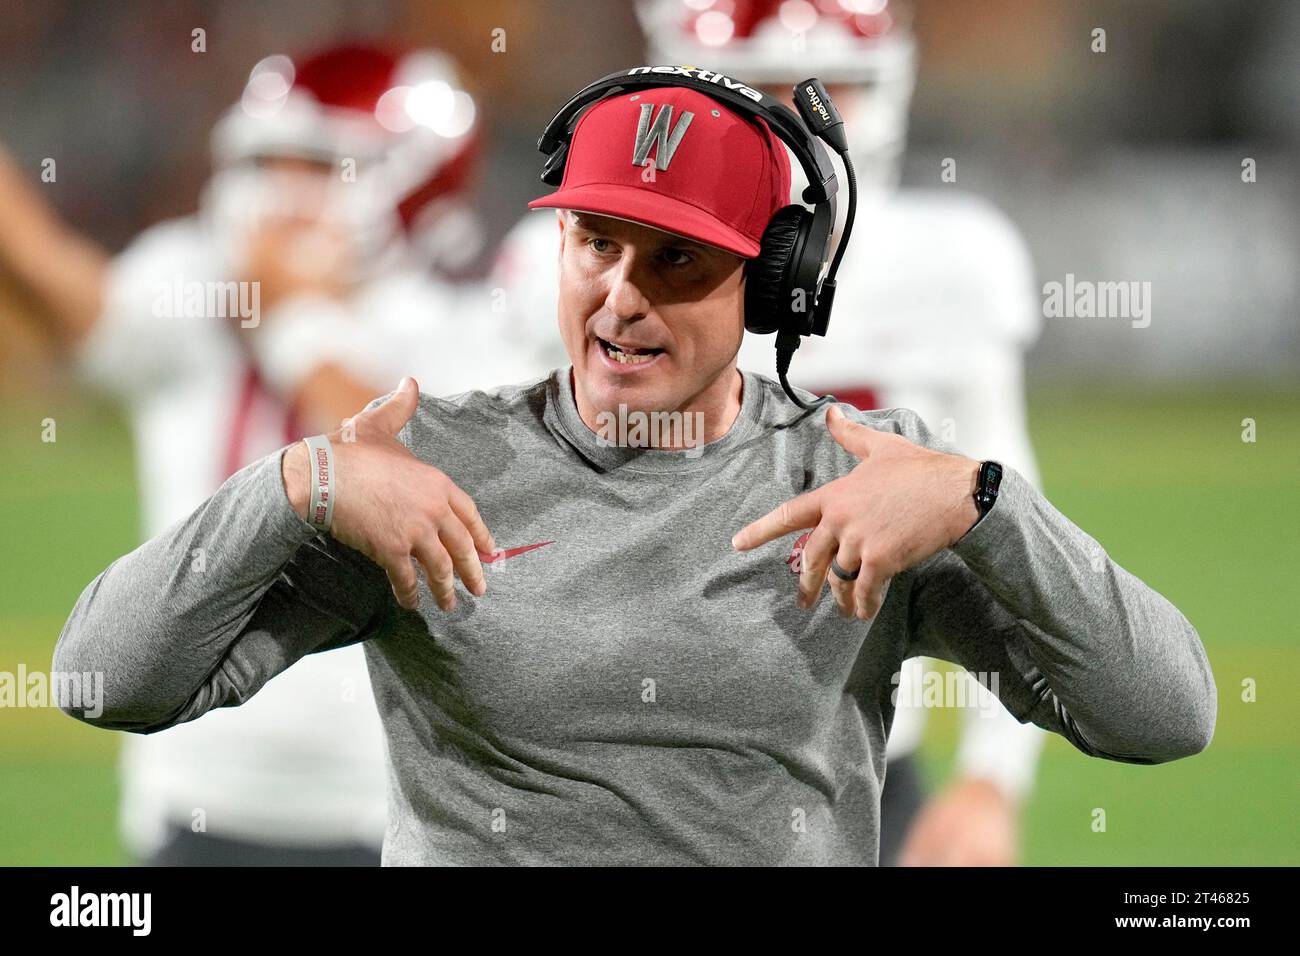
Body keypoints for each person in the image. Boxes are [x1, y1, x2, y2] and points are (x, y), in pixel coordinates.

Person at [53, 68, 1216, 866]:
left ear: (773, 282)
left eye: (677, 259)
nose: (621, 294)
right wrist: (292, 484)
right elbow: (105, 681)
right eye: (595, 243)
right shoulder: (428, 470)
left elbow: (1166, 714)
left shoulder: (860, 482)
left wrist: (984, 502)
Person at [490, 0, 1047, 864]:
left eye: (821, 91)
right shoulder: (567, 261)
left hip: (856, 765)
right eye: (755, 87)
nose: (785, 117)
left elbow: (1004, 529)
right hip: (610, 771)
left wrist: (988, 783)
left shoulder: (951, 265)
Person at [2, 42, 513, 865]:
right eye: (266, 160)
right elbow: (60, 291)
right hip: (195, 788)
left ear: (417, 181)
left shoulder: (467, 324)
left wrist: (293, 322)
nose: (276, 195)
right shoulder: (198, 278)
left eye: (316, 165)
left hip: (386, 806)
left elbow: (412, 478)